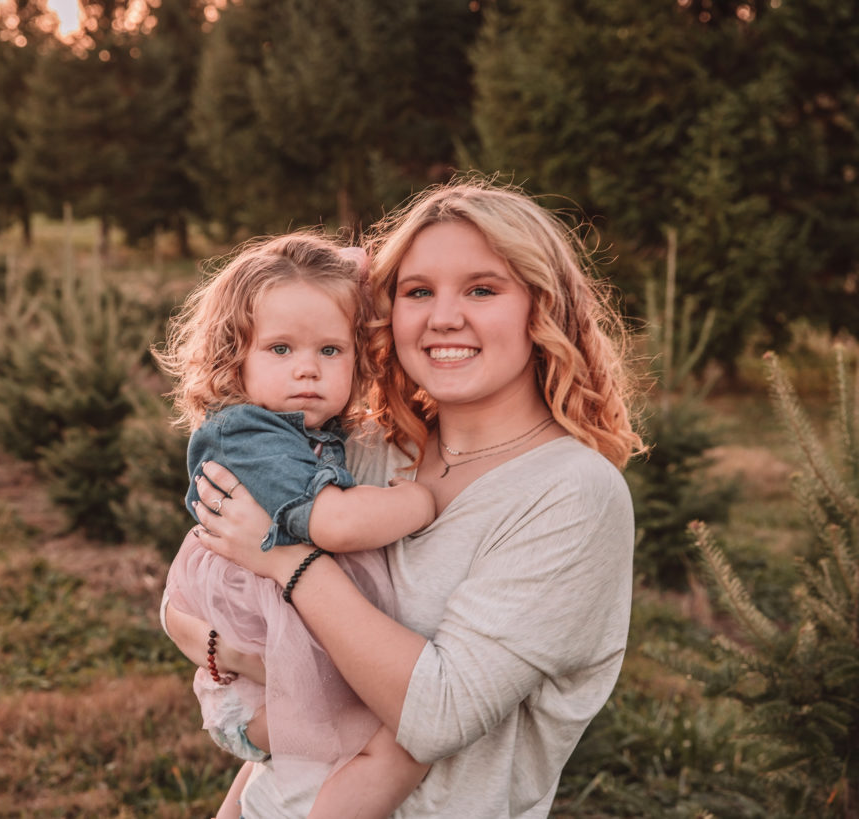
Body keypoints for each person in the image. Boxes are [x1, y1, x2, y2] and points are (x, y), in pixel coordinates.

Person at [165, 177, 644, 818]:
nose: (444, 316)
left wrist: (285, 564)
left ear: (543, 306)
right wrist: (244, 661)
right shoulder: (363, 449)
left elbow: (436, 715)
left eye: (482, 288)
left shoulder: (570, 495)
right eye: (419, 292)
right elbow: (189, 607)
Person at [153, 232, 436, 819]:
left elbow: (333, 297)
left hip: (262, 674)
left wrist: (354, 274)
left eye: (331, 351)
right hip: (250, 697)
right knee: (403, 740)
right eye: (280, 350)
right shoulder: (250, 433)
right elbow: (330, 523)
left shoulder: (311, 427)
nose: (307, 369)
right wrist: (422, 502)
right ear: (236, 359)